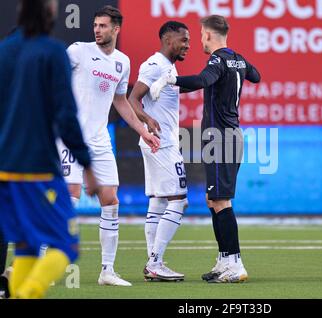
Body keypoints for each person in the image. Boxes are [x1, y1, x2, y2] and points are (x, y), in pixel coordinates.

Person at [0, 0, 99, 298]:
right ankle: (27, 294)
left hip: (5, 171)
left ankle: (21, 291)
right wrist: (88, 165)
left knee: (26, 249)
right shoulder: (53, 51)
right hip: (39, 169)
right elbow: (66, 116)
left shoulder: (4, 51)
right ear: (49, 12)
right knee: (66, 247)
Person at [151, 15, 261, 283]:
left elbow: (202, 80)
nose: (199, 40)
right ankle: (225, 259)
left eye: (200, 35)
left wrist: (170, 80)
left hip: (221, 138)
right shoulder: (235, 57)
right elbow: (255, 76)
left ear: (209, 35)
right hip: (228, 135)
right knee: (214, 200)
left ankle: (235, 263)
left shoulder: (218, 59)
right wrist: (238, 65)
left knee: (221, 201)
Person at [56, 5, 160, 286]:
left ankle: (107, 271)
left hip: (100, 140)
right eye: (95, 25)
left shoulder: (122, 62)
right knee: (70, 198)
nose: (97, 30)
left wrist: (143, 130)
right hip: (70, 138)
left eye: (103, 26)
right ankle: (46, 262)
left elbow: (121, 101)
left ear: (116, 29)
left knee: (111, 201)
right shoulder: (78, 50)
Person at [128, 21, 190, 282]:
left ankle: (155, 261)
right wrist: (146, 120)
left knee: (158, 201)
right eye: (183, 40)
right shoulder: (155, 65)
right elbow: (132, 99)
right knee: (179, 199)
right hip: (160, 143)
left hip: (157, 142)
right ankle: (155, 262)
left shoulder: (169, 68)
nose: (187, 45)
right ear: (168, 39)